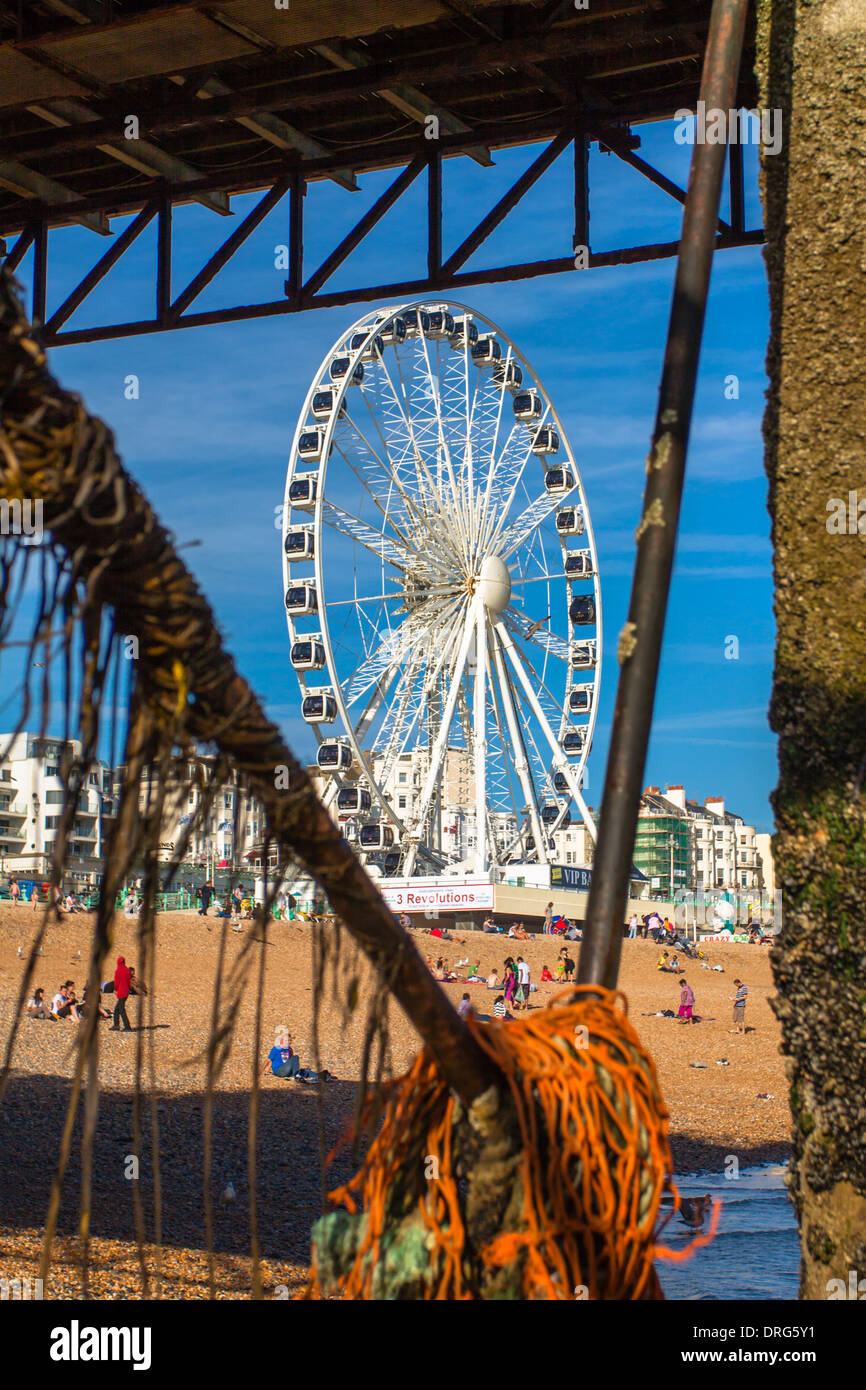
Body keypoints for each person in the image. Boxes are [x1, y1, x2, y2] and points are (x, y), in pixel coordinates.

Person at [111, 955, 133, 1033]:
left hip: (121, 991)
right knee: (118, 1008)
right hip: (126, 991)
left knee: (120, 1009)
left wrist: (115, 989)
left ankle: (127, 1026)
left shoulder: (118, 971)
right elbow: (129, 981)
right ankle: (116, 1025)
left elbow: (117, 982)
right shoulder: (127, 970)